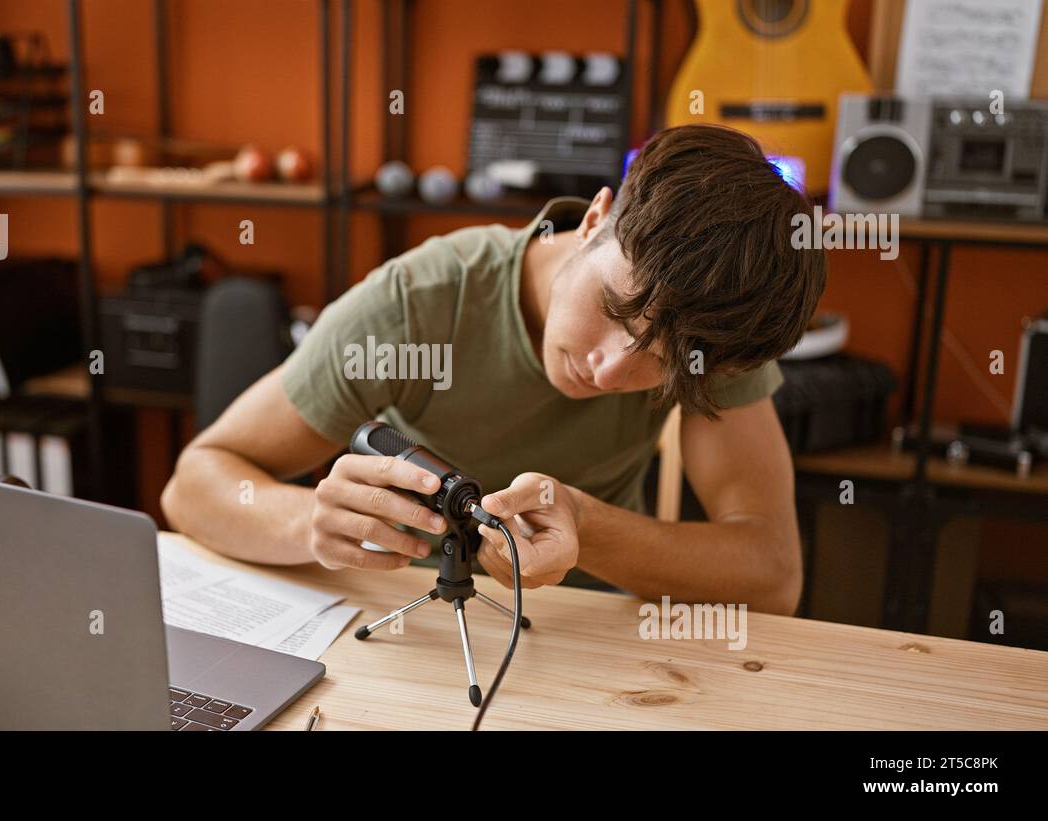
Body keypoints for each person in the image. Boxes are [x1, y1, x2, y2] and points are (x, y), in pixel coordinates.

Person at [162, 124, 826, 615]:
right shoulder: (419, 304)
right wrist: (306, 521)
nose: (608, 366)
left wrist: (586, 528)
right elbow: (193, 483)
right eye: (612, 308)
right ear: (594, 218)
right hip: (405, 617)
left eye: (662, 361)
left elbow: (772, 575)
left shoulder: (715, 318)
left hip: (594, 637)